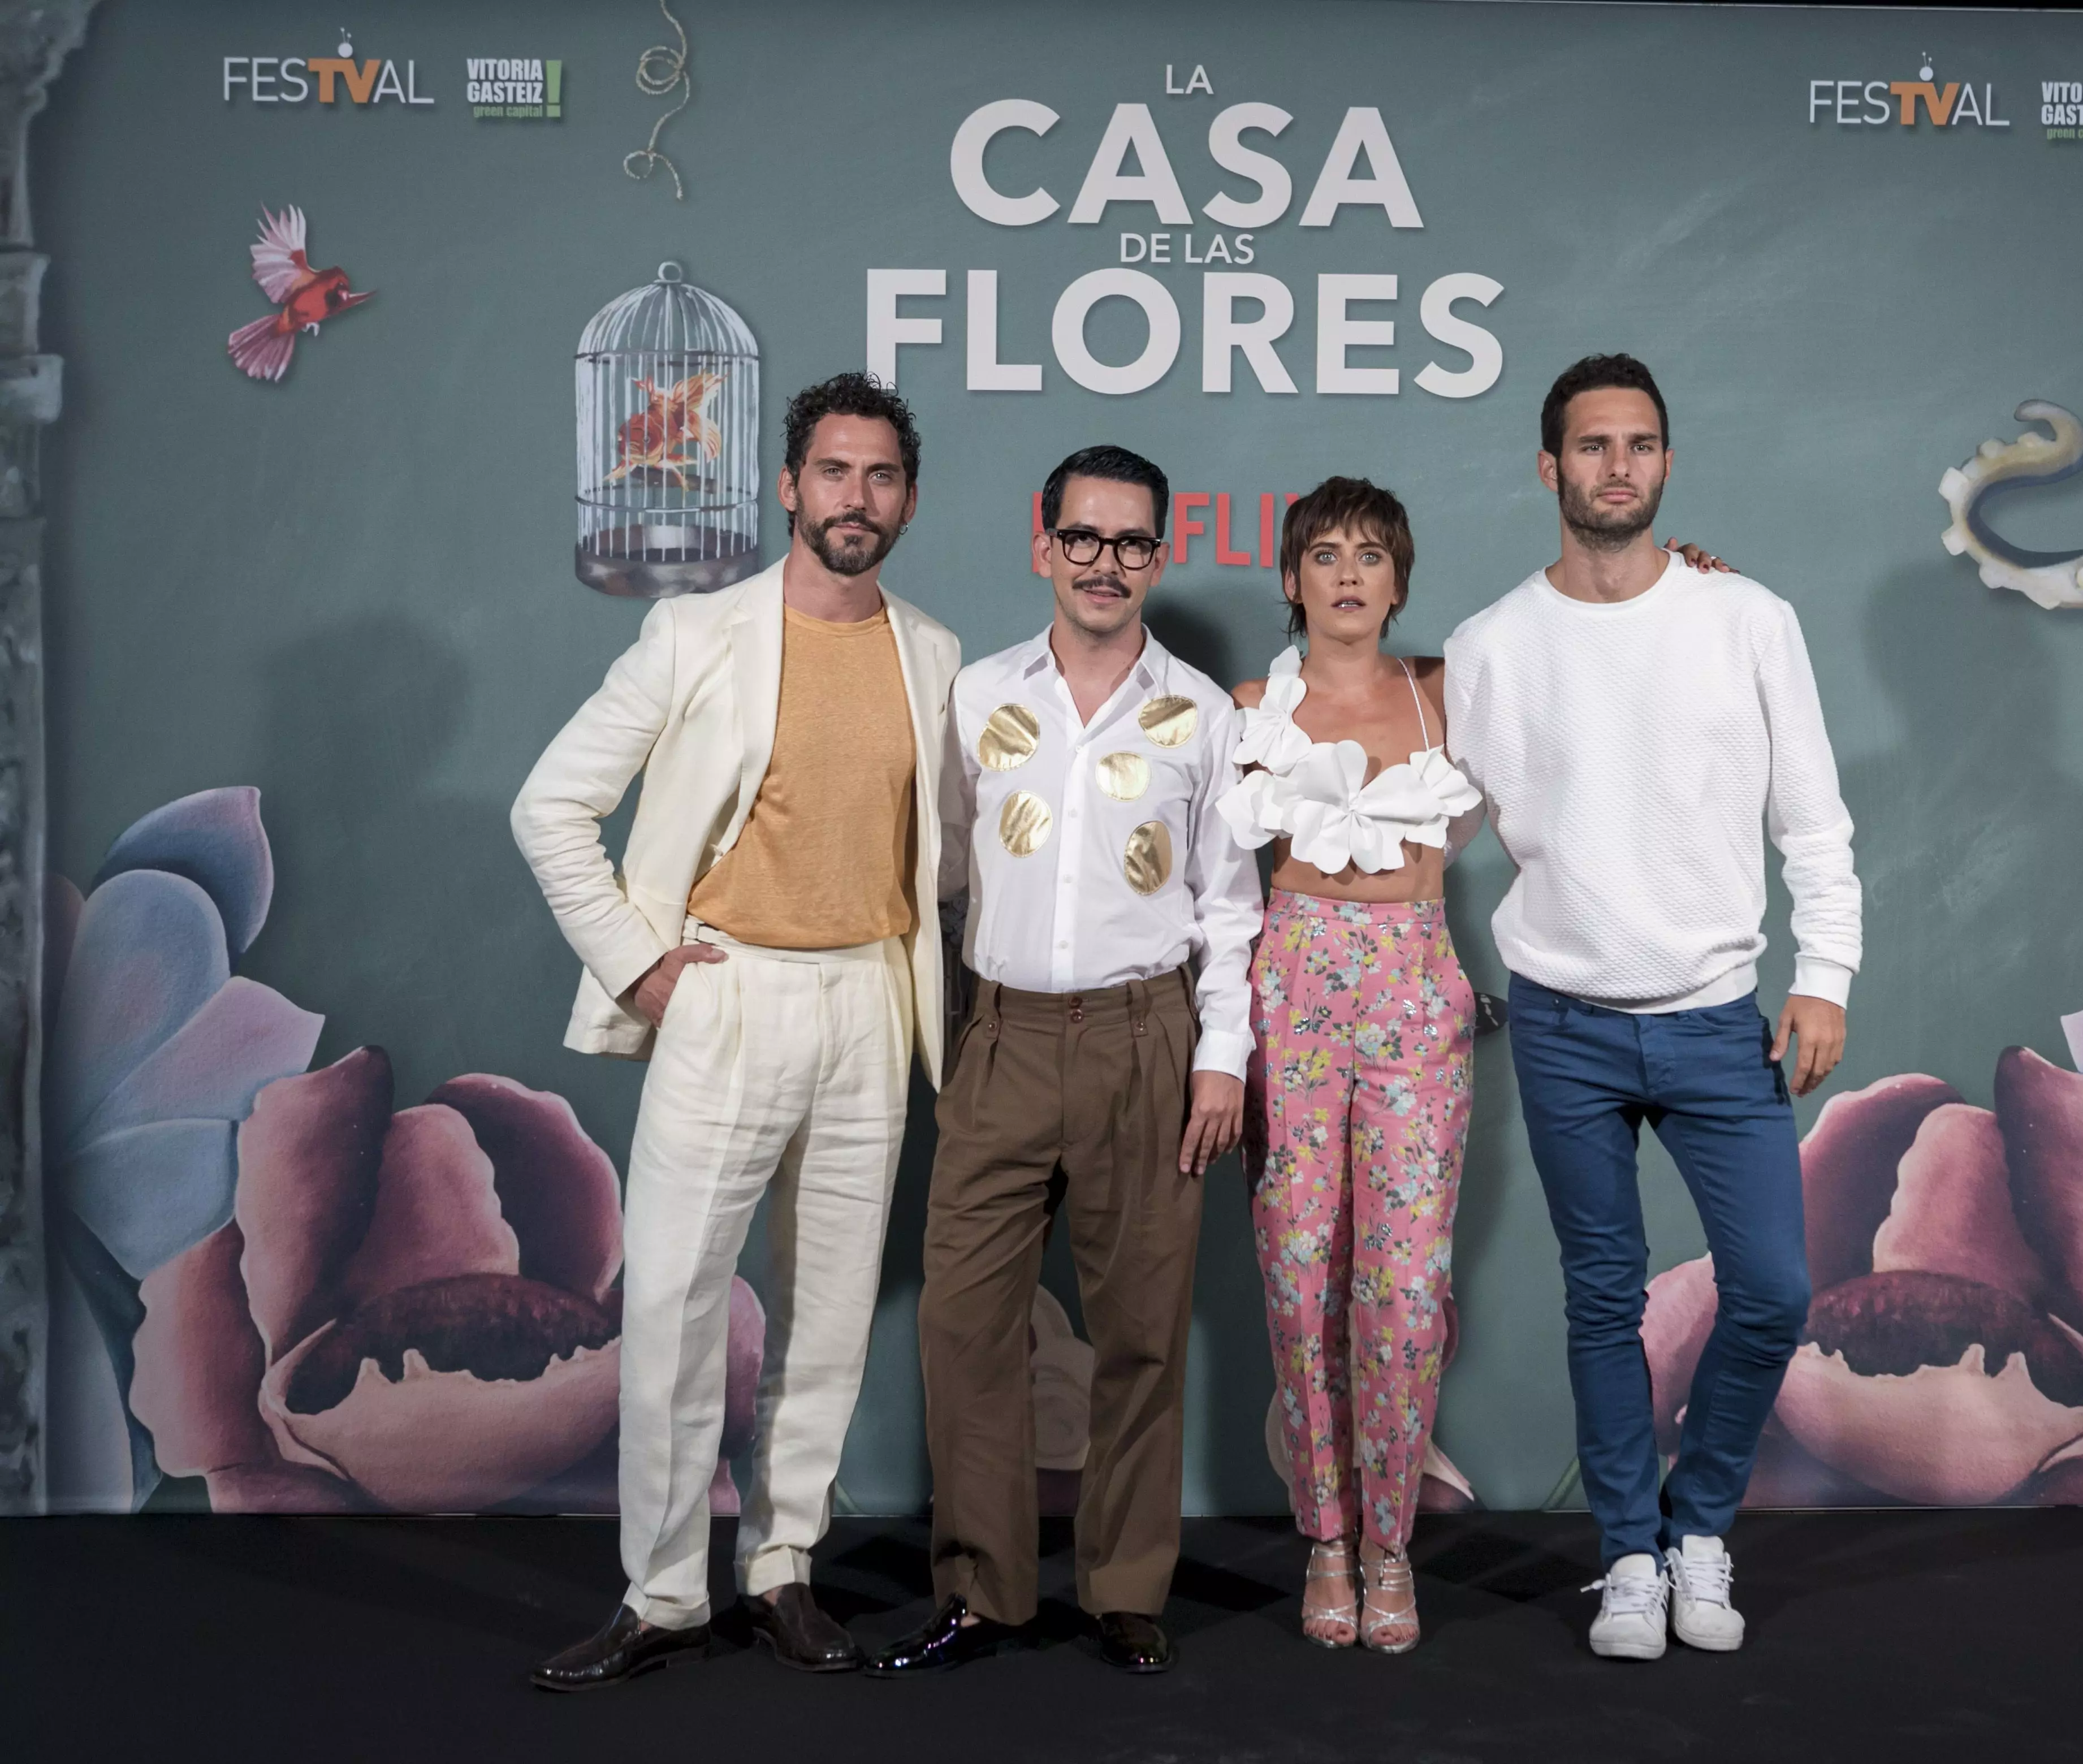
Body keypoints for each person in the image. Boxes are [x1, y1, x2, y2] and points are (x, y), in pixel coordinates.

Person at [513, 373, 961, 1690]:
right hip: (728, 994)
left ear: (909, 500)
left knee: (827, 1318)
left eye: (881, 477)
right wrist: (645, 964)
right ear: (786, 487)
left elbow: (946, 859)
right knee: (673, 1306)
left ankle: (781, 1571)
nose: (856, 499)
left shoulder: (931, 651)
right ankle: (660, 1594)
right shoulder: (694, 632)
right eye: (833, 472)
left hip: (873, 1001)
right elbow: (550, 808)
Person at [1444, 353, 1861, 1662]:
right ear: (1548, 466)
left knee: (1771, 1292)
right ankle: (1628, 1554)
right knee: (1601, 1300)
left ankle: (1699, 1528)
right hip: (1562, 1018)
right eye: (1590, 445)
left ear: (1665, 464)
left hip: (1711, 1012)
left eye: (1637, 445)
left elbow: (1813, 817)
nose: (1614, 466)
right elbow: (1425, 810)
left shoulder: (1747, 620)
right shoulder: (1490, 647)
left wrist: (1824, 974)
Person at [866, 446, 1262, 1679]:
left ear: (1160, 554)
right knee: (967, 1328)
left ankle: (1124, 1588)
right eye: (1083, 538)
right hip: (1002, 1036)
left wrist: (1222, 1059)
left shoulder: (1202, 714)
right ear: (1043, 546)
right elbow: (933, 871)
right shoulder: (976, 696)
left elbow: (1231, 904)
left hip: (1151, 1043)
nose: (1106, 563)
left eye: (1132, 542)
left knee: (1141, 1332)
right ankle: (984, 1591)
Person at [1214, 478, 1480, 1654]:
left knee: (1406, 1287)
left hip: (1418, 989)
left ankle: (1390, 1544)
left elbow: (1590, 652)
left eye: (1371, 555)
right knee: (1299, 1273)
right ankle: (1324, 1537)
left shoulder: (1446, 697)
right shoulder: (1246, 707)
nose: (1348, 574)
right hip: (1292, 986)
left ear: (1399, 580)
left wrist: (1687, 568)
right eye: (1325, 554)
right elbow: (1211, 889)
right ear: (1291, 578)